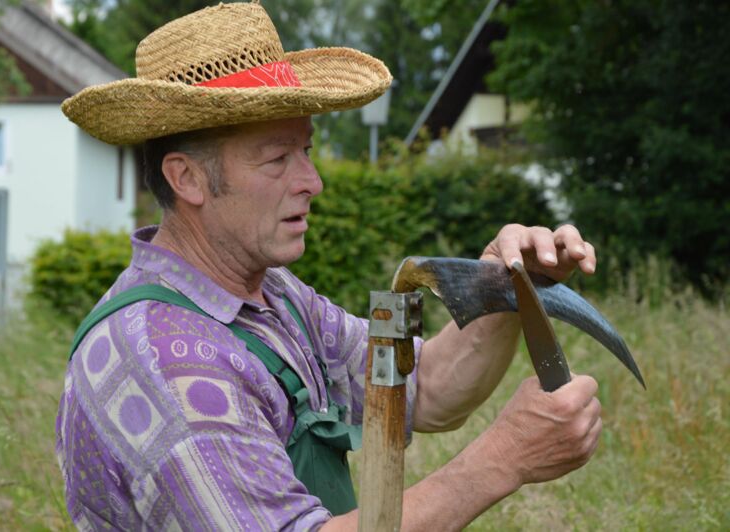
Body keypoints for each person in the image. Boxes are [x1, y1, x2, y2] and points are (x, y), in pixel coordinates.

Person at [56, 2, 602, 530]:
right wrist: (502, 458)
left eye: (307, 151)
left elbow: (423, 389)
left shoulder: (273, 297)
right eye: (277, 158)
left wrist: (499, 286)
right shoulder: (163, 359)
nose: (311, 182)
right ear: (187, 179)